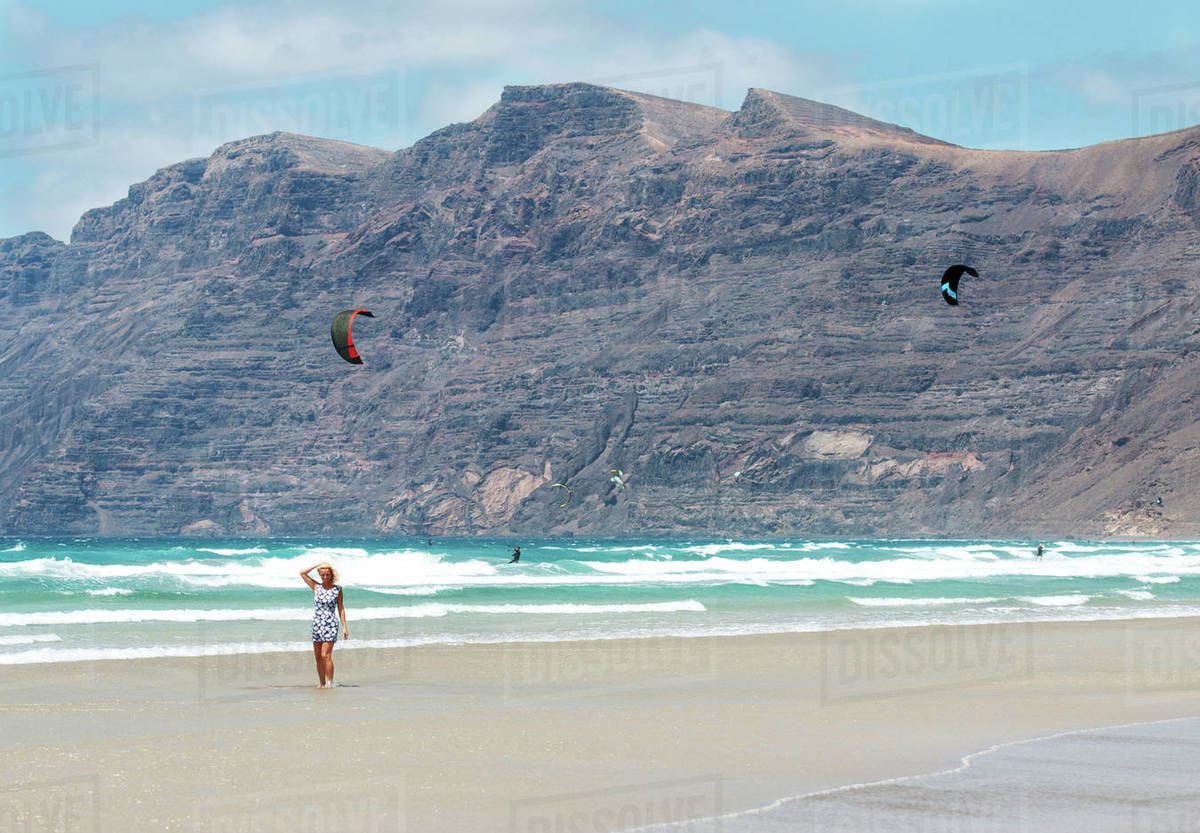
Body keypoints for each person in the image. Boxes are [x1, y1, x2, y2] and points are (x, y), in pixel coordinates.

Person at [300, 561, 347, 688]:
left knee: (325, 655)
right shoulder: (316, 587)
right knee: (318, 657)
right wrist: (318, 564)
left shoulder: (337, 590)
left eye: (327, 575)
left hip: (330, 624)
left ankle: (330, 683)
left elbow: (341, 608)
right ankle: (321, 684)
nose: (325, 577)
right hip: (317, 623)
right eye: (322, 575)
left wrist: (344, 627)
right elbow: (302, 573)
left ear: (331, 575)